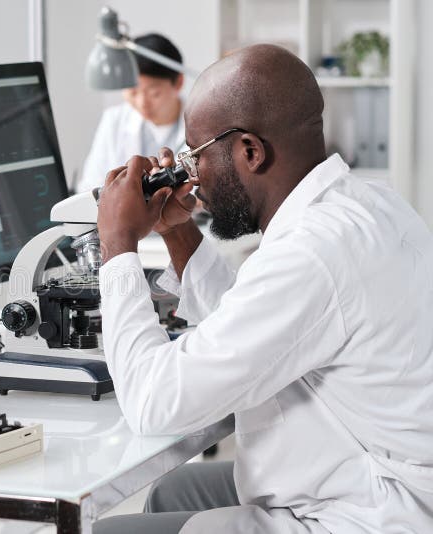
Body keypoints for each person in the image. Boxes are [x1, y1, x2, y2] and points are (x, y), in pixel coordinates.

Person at [94, 44, 433, 534]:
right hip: (370, 468)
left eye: (196, 154)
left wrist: (117, 242)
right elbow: (257, 325)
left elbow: (153, 403)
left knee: (105, 531)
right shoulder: (367, 204)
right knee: (172, 490)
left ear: (250, 151)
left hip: (372, 513)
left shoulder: (313, 254)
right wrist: (176, 230)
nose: (190, 173)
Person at [76, 33, 186, 193]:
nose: (142, 104)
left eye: (154, 93)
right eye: (133, 92)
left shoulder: (202, 123)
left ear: (179, 82)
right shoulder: (114, 121)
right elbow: (90, 186)